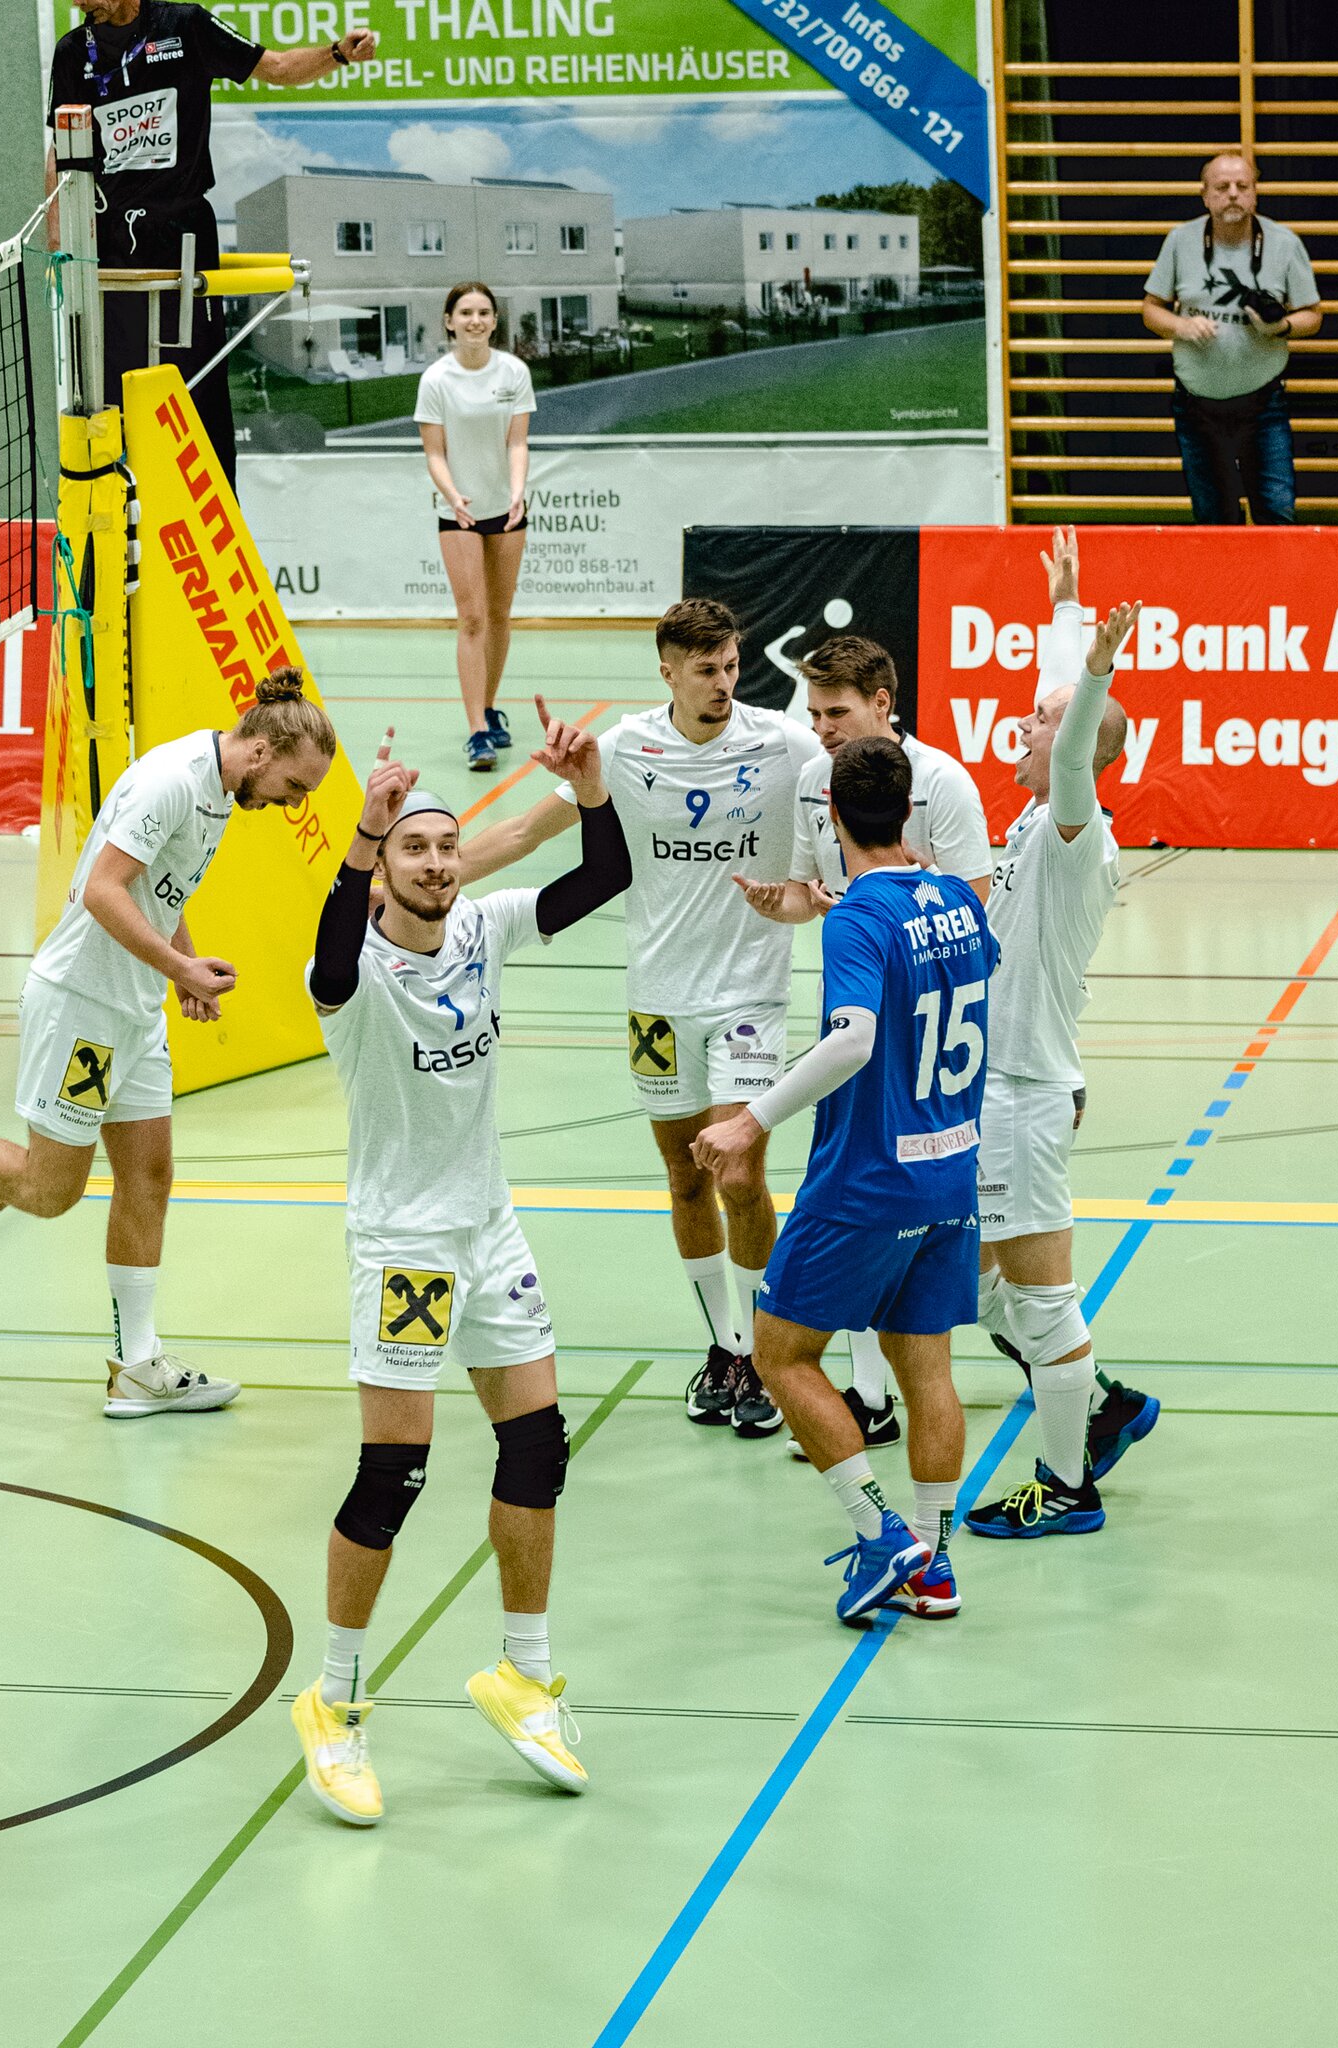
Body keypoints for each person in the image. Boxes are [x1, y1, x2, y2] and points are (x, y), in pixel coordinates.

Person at [290, 707, 631, 1827]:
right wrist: (356, 839)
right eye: (412, 849)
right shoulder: (351, 970)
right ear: (382, 867)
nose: (435, 862)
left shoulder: (483, 925)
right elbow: (334, 949)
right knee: (392, 1473)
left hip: (489, 1228)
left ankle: (521, 1671)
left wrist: (586, 789)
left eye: (444, 845)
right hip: (404, 1242)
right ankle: (333, 1702)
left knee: (537, 1443)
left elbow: (603, 875)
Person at [0, 672, 337, 1418]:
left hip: (132, 1009)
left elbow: (159, 893)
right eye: (295, 786)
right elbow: (103, 890)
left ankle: (137, 1367)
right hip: (83, 1010)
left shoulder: (220, 788)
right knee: (51, 1190)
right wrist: (176, 965)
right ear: (262, 750)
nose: (291, 803)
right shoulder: (169, 781)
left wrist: (181, 976)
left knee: (151, 1173)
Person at [460, 598, 822, 1439]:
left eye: (732, 665)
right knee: (686, 1176)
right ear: (667, 670)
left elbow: (867, 786)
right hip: (657, 1000)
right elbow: (519, 833)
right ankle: (726, 1346)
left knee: (741, 1175)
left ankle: (769, 1351)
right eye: (706, 670)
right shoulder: (622, 751)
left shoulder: (783, 744)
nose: (724, 683)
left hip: (749, 999)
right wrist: (418, 881)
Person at [695, 737, 997, 1626]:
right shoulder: (956, 900)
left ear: (831, 817)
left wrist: (750, 1119)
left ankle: (878, 1532)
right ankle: (934, 1565)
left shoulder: (855, 920)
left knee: (781, 1352)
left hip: (867, 1181)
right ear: (910, 811)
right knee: (927, 1370)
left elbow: (855, 1037)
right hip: (952, 1174)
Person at [735, 633, 990, 1457]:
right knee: (927, 1347)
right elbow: (828, 890)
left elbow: (969, 910)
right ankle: (875, 1414)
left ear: (884, 703)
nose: (823, 728)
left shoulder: (946, 784)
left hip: (903, 1038)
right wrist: (793, 906)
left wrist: (749, 1119)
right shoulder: (817, 780)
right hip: (882, 1024)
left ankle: (1073, 1385)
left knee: (804, 1325)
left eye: (836, 712)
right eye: (813, 713)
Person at [965, 539, 1160, 1539]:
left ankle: (1065, 1485)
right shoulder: (1033, 817)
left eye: (1041, 721)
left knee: (1033, 1300)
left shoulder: (1072, 830)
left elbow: (1073, 734)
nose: (1028, 719)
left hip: (1025, 1093)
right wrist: (1068, 606)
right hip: (996, 1094)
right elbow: (1054, 701)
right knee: (991, 1293)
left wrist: (1092, 675)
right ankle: (1103, 1403)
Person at [46, 0, 380, 487]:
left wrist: (338, 54)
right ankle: (115, 532)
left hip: (182, 236)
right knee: (107, 395)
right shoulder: (72, 51)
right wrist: (60, 238)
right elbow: (62, 148)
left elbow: (277, 67)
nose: (79, 2)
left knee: (197, 396)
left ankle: (210, 521)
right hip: (112, 245)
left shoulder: (185, 25)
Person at [1142, 151, 1322, 526]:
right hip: (1196, 407)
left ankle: (1275, 588)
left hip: (1263, 405)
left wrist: (1281, 327)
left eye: (1243, 186)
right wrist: (1181, 327)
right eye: (1222, 187)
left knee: (1277, 514)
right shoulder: (1180, 240)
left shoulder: (1284, 243)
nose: (1233, 195)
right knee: (1214, 522)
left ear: (1255, 194)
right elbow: (1150, 309)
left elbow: (1313, 316)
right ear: (1205, 196)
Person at [414, 282, 535, 772]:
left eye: (484, 312)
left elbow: (517, 443)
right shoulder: (436, 379)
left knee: (500, 617)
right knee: (472, 619)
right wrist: (452, 495)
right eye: (465, 312)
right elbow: (434, 452)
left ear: (494, 321)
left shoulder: (514, 372)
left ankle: (489, 705)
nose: (475, 320)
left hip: (507, 511)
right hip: (458, 513)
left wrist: (516, 490)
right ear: (449, 320)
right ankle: (477, 733)